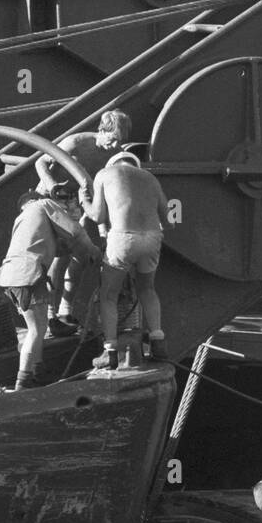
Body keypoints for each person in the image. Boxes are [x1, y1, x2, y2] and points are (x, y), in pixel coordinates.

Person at [0, 183, 99, 390]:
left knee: (37, 329)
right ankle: (22, 383)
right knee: (35, 329)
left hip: (12, 276)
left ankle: (38, 372)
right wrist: (94, 251)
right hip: (28, 275)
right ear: (33, 199)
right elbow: (75, 231)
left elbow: (56, 248)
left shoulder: (22, 219)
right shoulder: (42, 204)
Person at [39, 110, 131, 337]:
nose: (115, 145)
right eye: (112, 139)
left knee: (83, 255)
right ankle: (50, 316)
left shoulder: (115, 153)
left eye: (120, 141)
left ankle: (65, 311)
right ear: (101, 131)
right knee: (59, 259)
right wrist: (52, 186)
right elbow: (41, 162)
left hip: (79, 202)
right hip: (53, 199)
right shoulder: (75, 143)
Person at [84, 151, 170, 368]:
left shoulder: (105, 173)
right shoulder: (151, 178)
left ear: (113, 163)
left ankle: (110, 352)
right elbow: (169, 221)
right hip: (152, 238)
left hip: (123, 238)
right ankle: (159, 344)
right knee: (147, 290)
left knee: (109, 295)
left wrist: (83, 201)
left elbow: (98, 216)